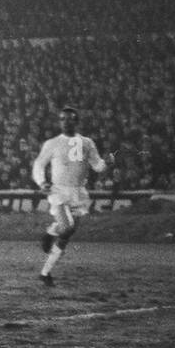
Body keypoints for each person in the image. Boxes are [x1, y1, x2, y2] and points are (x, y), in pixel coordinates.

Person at [31, 106, 113, 286]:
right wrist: (41, 182)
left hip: (79, 192)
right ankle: (50, 233)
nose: (65, 122)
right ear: (59, 122)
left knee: (67, 234)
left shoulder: (87, 142)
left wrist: (106, 163)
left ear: (76, 121)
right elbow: (39, 164)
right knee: (67, 227)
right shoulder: (52, 143)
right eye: (62, 119)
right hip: (58, 191)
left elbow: (97, 165)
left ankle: (45, 272)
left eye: (69, 119)